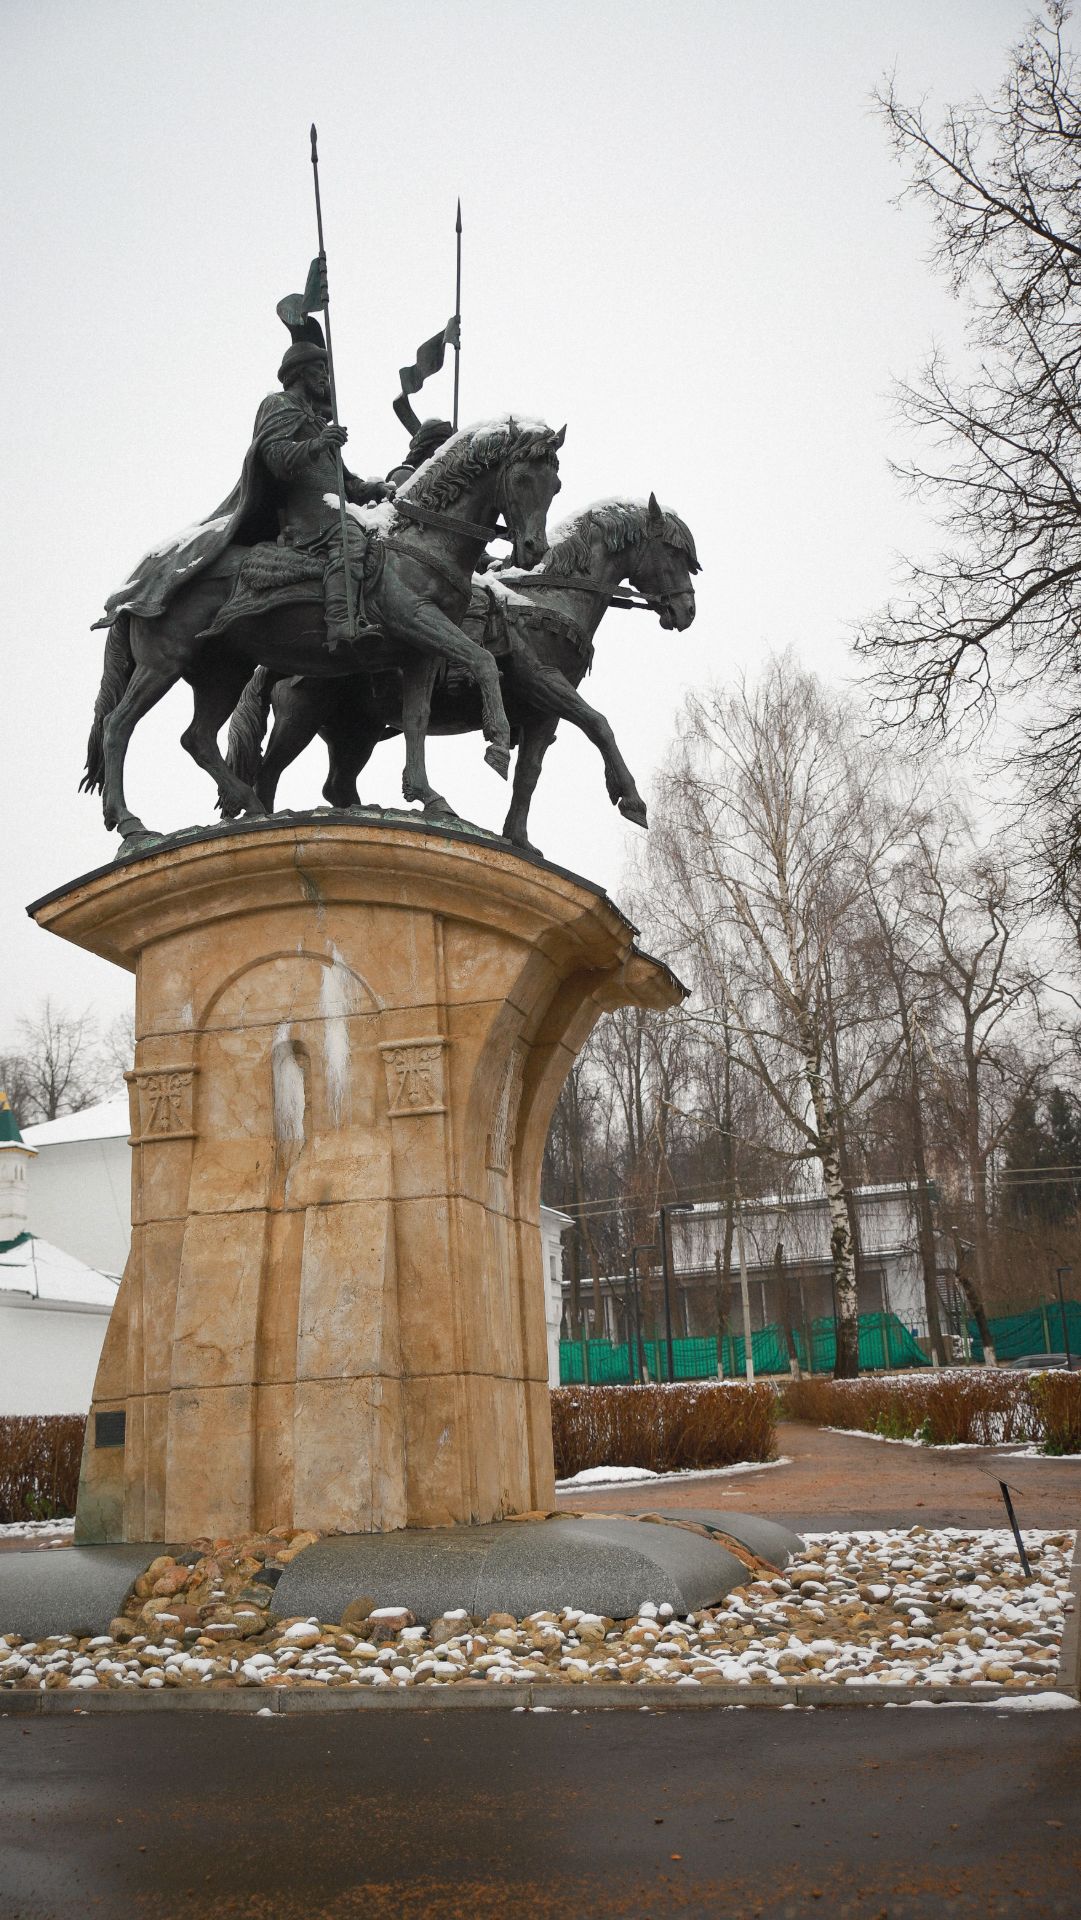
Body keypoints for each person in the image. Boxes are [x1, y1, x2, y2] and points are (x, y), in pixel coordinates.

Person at [96, 282, 392, 650]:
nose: (326, 378)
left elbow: (342, 481)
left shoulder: (317, 423)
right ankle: (342, 627)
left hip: (332, 511)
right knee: (350, 542)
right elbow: (276, 459)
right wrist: (317, 445)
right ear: (299, 373)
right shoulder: (280, 406)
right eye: (320, 369)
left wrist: (372, 489)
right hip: (310, 523)